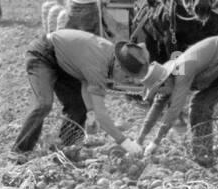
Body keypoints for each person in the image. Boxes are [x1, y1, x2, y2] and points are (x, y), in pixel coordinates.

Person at [12, 32, 150, 158]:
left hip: (64, 63)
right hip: (43, 53)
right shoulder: (99, 65)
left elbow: (85, 80)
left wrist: (90, 114)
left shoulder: (109, 56)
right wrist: (125, 142)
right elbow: (101, 113)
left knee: (78, 106)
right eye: (127, 77)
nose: (127, 81)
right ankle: (19, 153)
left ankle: (65, 151)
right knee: (43, 104)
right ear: (119, 66)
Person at [138, 33, 218, 174]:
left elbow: (174, 110)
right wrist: (139, 139)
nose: (159, 95)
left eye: (158, 91)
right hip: (216, 67)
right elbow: (156, 107)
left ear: (163, 83)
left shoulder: (181, 71)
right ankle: (203, 158)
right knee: (199, 107)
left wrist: (155, 142)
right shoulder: (165, 77)